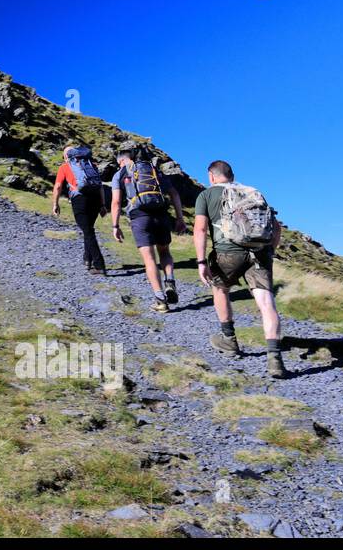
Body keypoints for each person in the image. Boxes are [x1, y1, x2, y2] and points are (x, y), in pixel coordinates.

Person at [193, 159, 287, 379]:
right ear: (232, 175)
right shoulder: (252, 192)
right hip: (260, 252)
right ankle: (274, 358)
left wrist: (200, 262)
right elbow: (276, 227)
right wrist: (269, 251)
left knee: (220, 289)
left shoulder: (206, 195)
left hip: (228, 252)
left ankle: (229, 340)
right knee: (266, 302)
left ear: (211, 176)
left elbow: (200, 229)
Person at [110, 144, 186, 312]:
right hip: (160, 214)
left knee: (149, 259)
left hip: (139, 216)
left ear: (122, 160)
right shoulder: (153, 170)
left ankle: (160, 300)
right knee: (165, 252)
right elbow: (174, 194)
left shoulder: (120, 174)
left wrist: (115, 225)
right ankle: (170, 281)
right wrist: (180, 218)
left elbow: (116, 202)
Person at [51, 145, 107, 275]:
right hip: (95, 200)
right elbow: (100, 186)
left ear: (66, 156)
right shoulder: (91, 165)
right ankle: (87, 260)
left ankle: (99, 265)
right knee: (88, 229)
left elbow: (58, 186)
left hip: (80, 200)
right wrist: (103, 205)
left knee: (88, 231)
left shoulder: (65, 167)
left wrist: (55, 204)